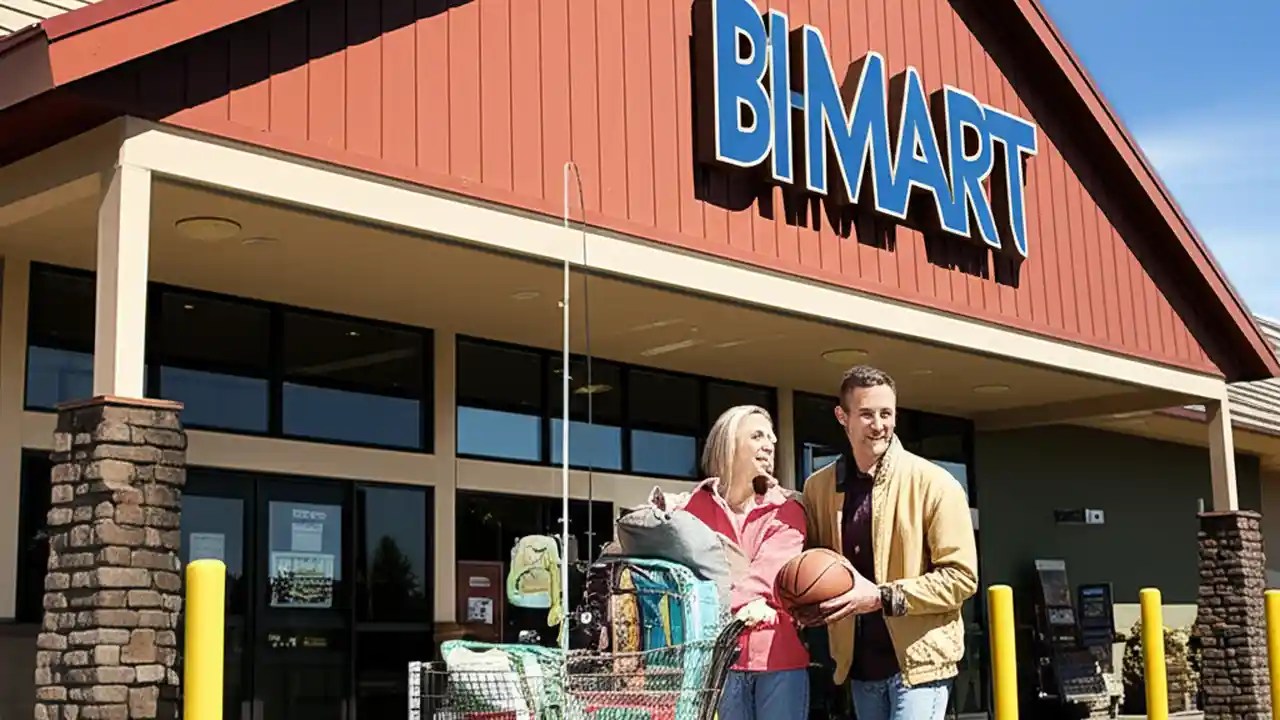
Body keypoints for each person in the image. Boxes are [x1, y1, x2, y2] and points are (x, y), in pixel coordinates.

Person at [795, 366, 978, 720]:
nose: (878, 425)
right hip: (859, 667)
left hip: (921, 665)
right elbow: (814, 565)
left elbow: (961, 578)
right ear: (842, 417)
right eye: (866, 414)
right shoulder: (818, 488)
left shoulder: (936, 484)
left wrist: (882, 597)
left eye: (886, 413)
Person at [675, 404, 810, 720]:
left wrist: (714, 603)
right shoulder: (690, 509)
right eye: (758, 436)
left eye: (772, 438)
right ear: (728, 444)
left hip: (777, 659)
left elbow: (768, 578)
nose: (770, 444)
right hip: (714, 664)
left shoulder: (787, 510)